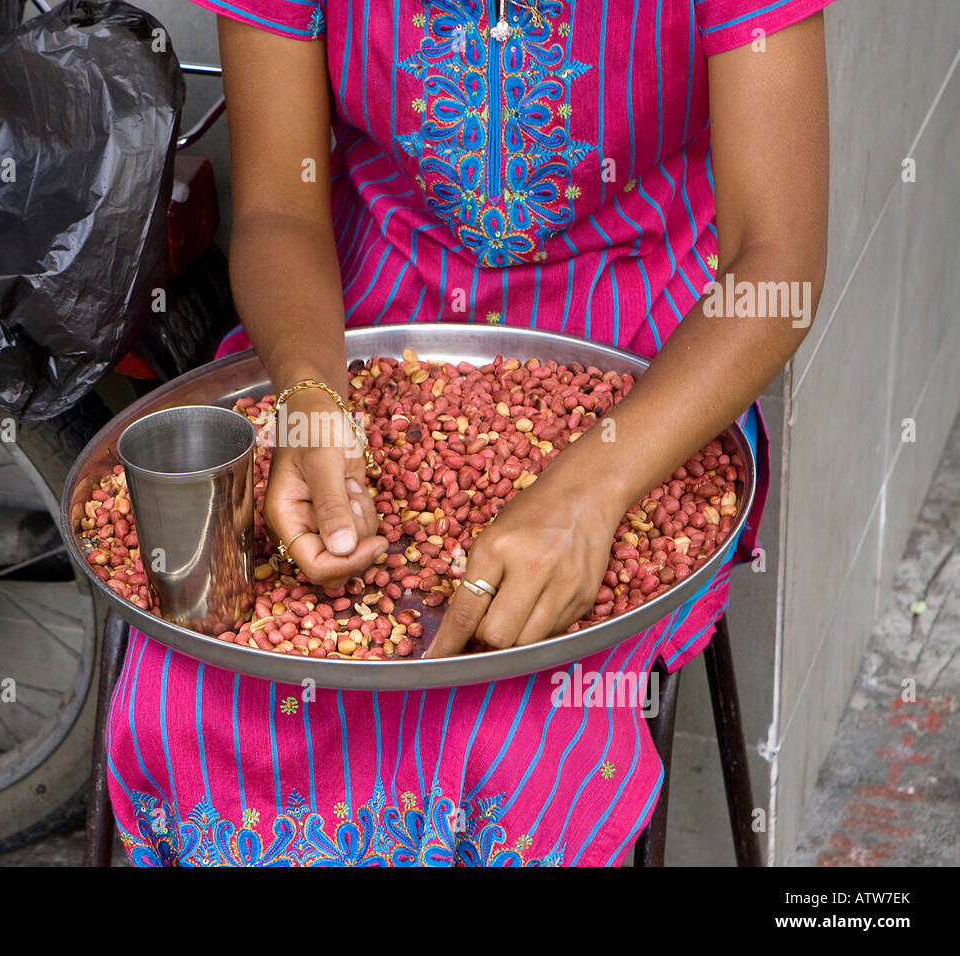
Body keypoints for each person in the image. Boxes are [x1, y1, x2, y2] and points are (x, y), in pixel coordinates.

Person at [106, 0, 831, 865]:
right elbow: (277, 212)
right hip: (358, 339)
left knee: (526, 740)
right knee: (185, 701)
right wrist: (308, 394)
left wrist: (589, 492)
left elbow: (776, 261)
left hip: (650, 383)